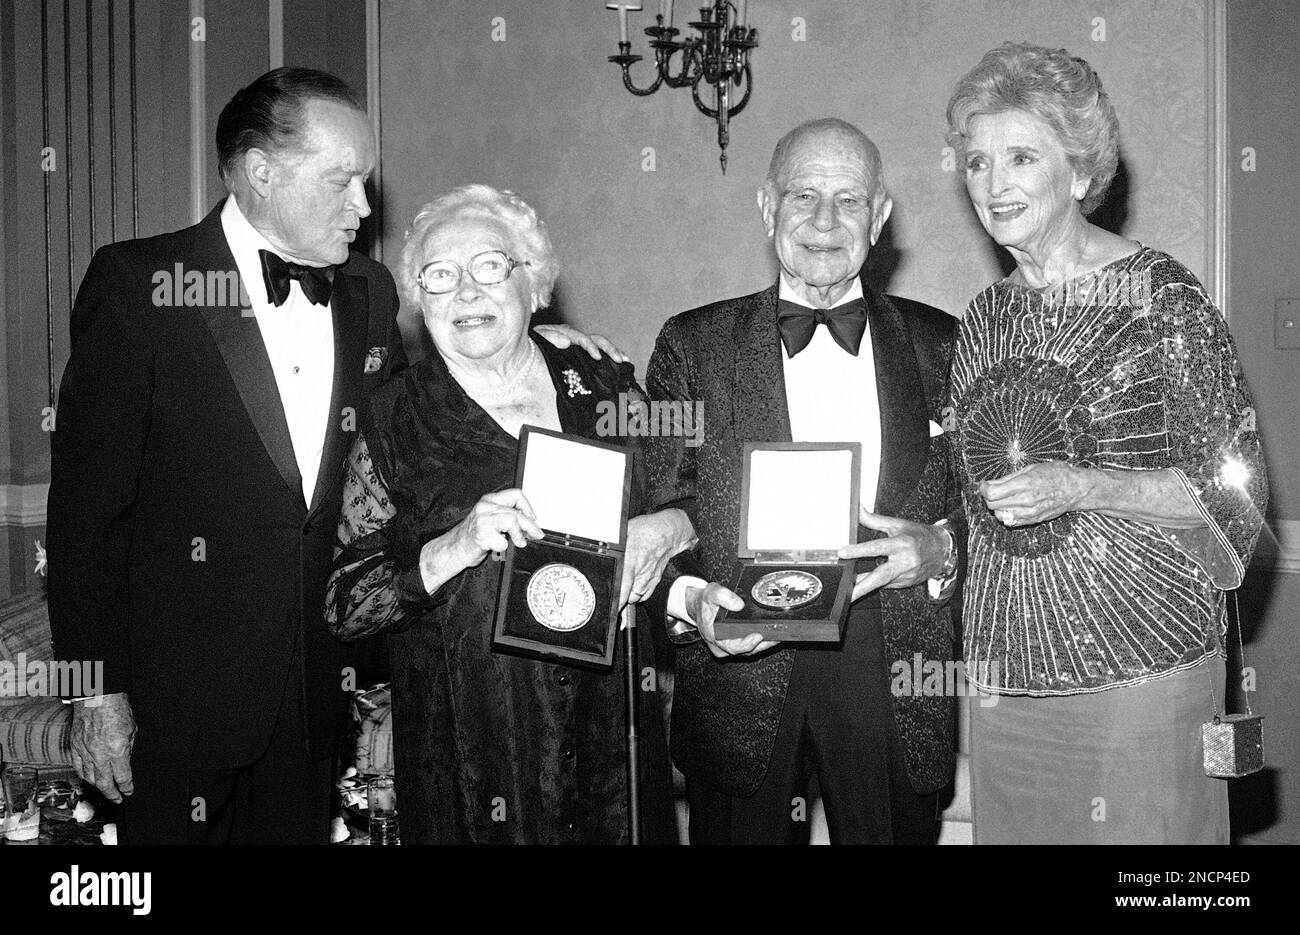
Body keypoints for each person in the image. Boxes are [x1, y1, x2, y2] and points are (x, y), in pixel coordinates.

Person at [45, 68, 615, 845]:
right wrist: (96, 693)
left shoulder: (370, 290)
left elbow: (425, 414)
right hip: (174, 708)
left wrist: (538, 339)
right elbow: (85, 516)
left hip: (317, 699)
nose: (364, 206)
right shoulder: (140, 283)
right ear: (260, 173)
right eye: (342, 181)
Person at [944, 42, 1268, 844]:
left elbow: (1235, 493)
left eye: (1021, 156)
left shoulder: (1163, 296)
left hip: (1140, 682)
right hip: (1005, 687)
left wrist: (1083, 484)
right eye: (978, 161)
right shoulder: (983, 318)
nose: (994, 182)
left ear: (1082, 173)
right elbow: (976, 509)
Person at [325, 184, 690, 844]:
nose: (465, 293)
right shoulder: (391, 419)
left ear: (534, 284)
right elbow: (347, 603)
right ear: (419, 303)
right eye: (438, 276)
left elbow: (690, 492)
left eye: (490, 266)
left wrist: (667, 526)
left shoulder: (601, 380)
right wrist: (450, 547)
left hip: (612, 732)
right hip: (473, 751)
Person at [643, 118, 963, 844]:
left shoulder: (943, 342)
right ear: (767, 207)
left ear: (879, 217)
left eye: (849, 201)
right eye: (803, 196)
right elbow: (659, 506)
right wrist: (695, 605)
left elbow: (982, 507)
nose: (825, 221)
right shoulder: (689, 344)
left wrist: (941, 552)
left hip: (893, 660)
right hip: (741, 662)